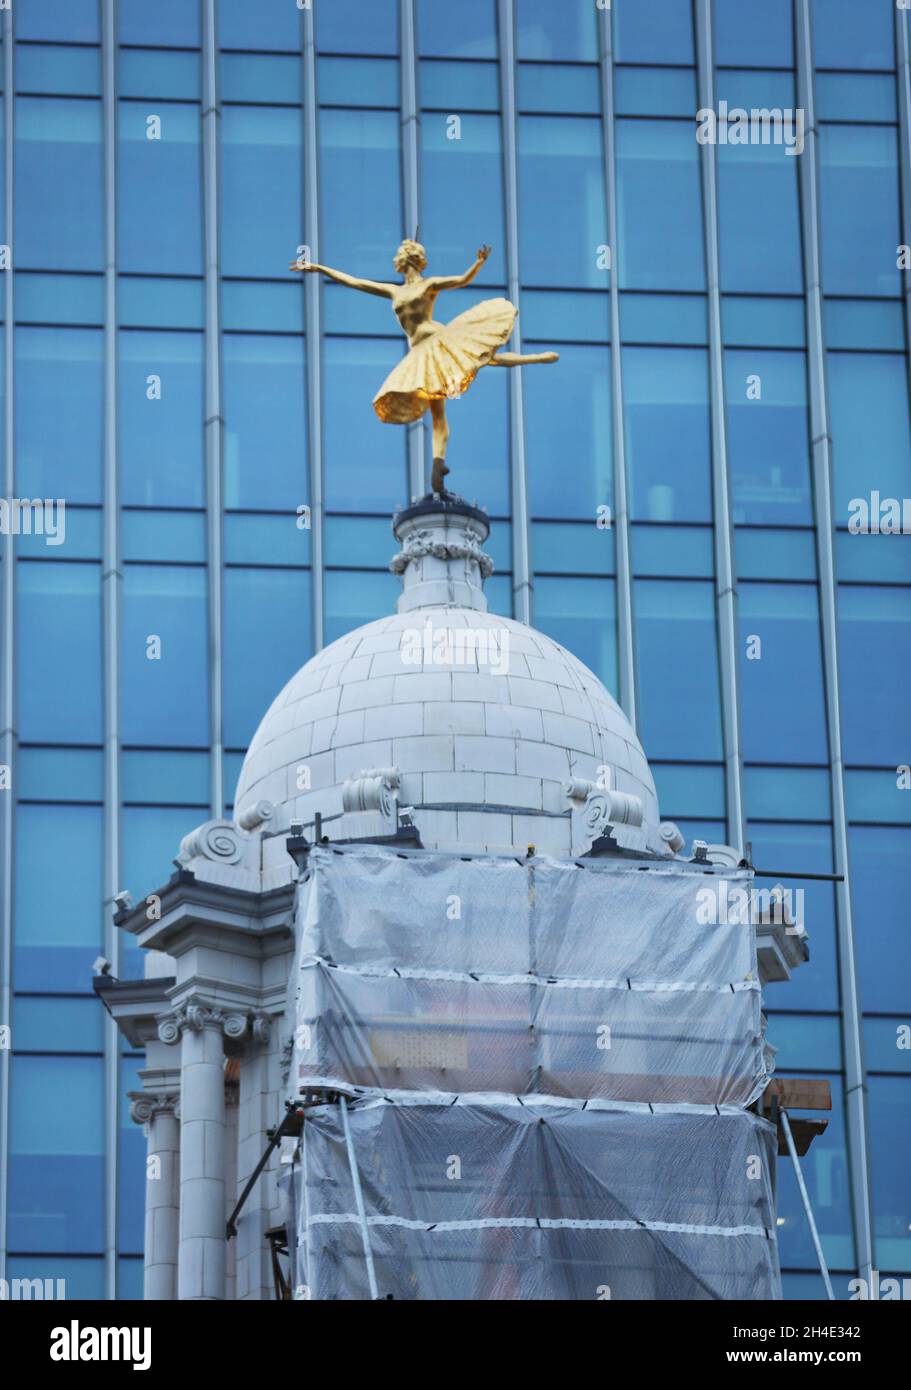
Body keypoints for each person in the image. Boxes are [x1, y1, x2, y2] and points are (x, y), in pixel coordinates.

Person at [290, 239, 558, 494]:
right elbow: (356, 282)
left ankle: (535, 358)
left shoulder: (429, 284)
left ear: (411, 259)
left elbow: (462, 281)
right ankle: (437, 463)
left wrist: (478, 263)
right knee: (438, 408)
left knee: (486, 357)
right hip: (419, 352)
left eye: (405, 254)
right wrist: (318, 268)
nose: (403, 258)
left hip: (437, 338)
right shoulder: (394, 290)